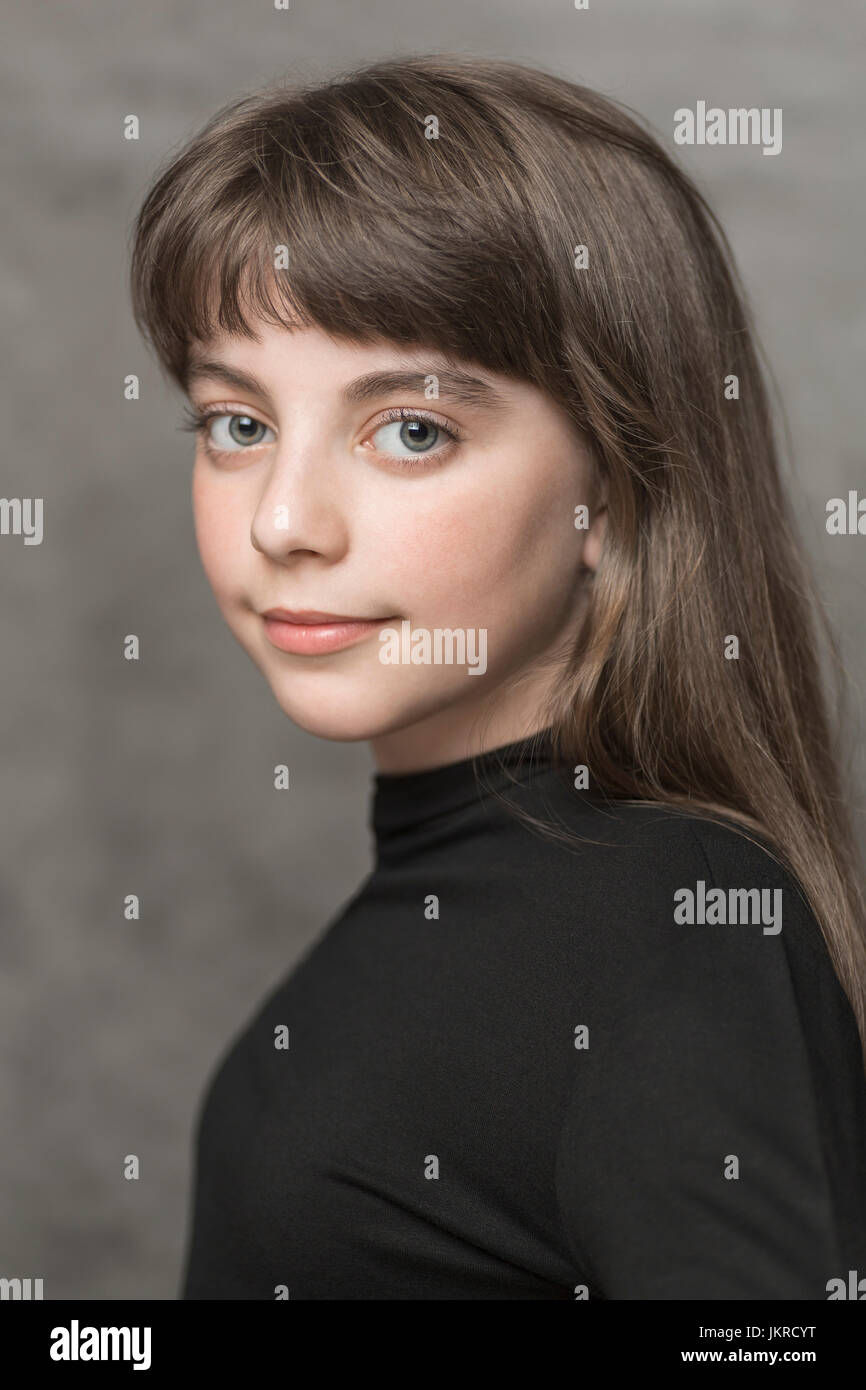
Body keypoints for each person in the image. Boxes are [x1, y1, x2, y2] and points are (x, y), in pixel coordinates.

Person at [129, 53, 866, 1299]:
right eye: (237, 424)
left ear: (611, 491)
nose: (283, 520)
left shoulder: (681, 923)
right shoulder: (494, 905)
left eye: (410, 430)